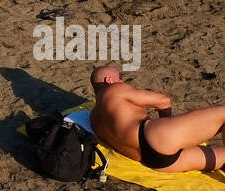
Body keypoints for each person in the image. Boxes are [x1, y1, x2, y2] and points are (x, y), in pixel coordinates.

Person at [89, 67, 224, 175]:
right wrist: (168, 128)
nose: (122, 81)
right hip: (158, 137)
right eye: (119, 77)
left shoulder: (94, 117)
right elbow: (162, 101)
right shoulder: (114, 90)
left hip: (154, 162)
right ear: (109, 80)